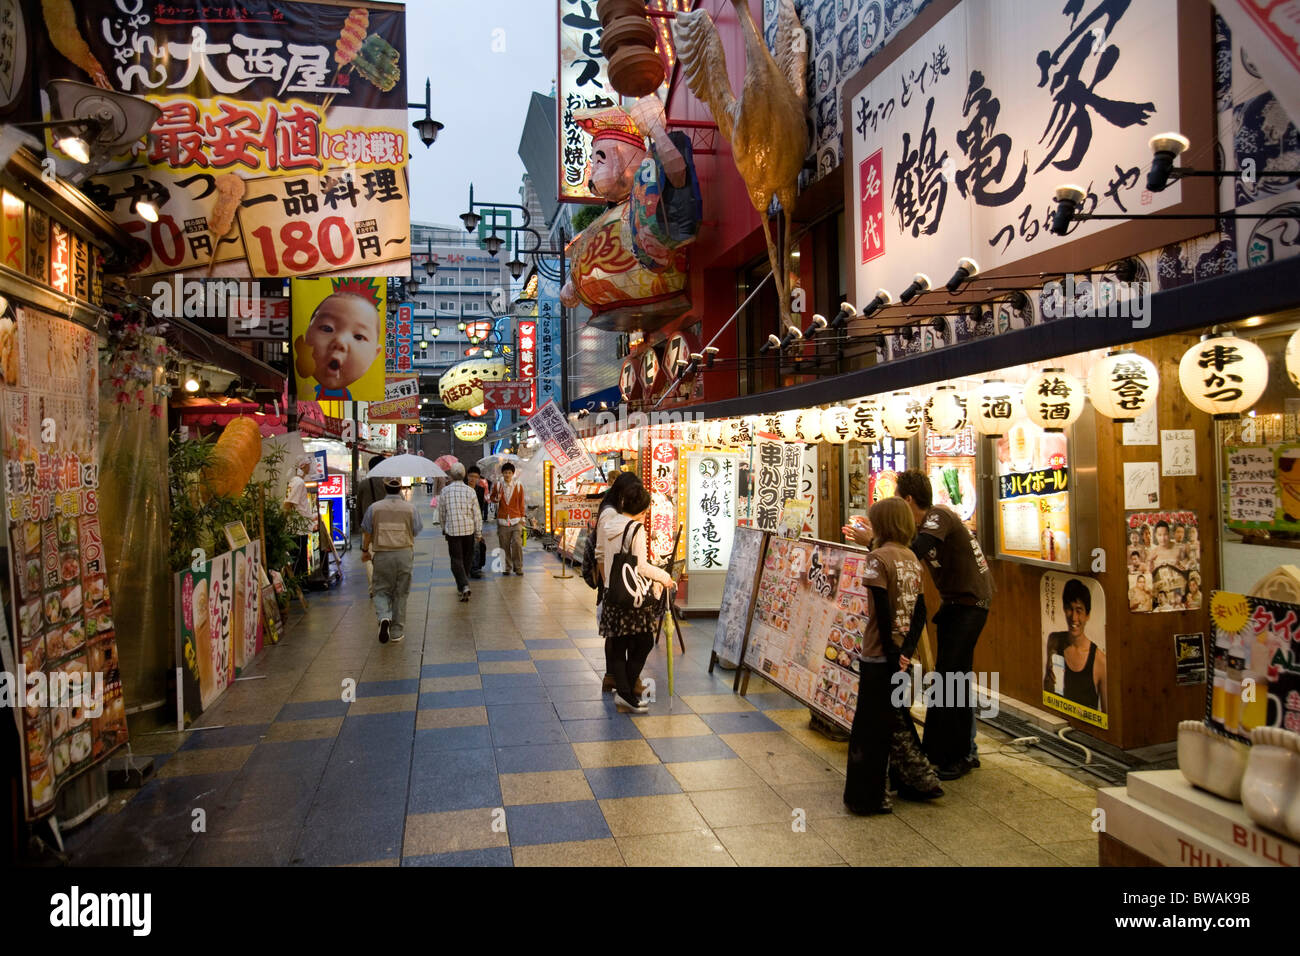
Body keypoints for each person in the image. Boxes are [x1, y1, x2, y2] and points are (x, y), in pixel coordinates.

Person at [840, 497, 944, 815]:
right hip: (900, 657)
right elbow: (921, 612)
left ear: (881, 524)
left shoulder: (876, 559)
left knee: (868, 729)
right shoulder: (912, 558)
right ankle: (914, 780)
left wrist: (889, 653)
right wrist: (905, 653)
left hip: (878, 655)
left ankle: (868, 796)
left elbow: (881, 612)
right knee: (893, 721)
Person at [896, 469, 992, 780]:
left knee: (951, 678)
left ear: (909, 499)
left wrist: (872, 541)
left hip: (971, 605)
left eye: (898, 500)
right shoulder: (922, 525)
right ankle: (957, 752)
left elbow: (912, 554)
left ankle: (956, 755)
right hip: (954, 606)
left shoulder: (939, 516)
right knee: (954, 677)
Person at [599, 482, 675, 713]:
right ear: (643, 509)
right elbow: (641, 567)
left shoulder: (608, 523)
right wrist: (664, 577)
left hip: (613, 593)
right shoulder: (636, 529)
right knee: (644, 642)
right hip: (632, 595)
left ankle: (625, 693)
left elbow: (601, 556)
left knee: (620, 644)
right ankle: (627, 690)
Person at [594, 472, 645, 693]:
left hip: (615, 585)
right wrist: (610, 587)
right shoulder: (611, 515)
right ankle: (621, 681)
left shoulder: (615, 512)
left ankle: (620, 680)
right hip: (616, 586)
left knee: (621, 637)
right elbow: (601, 554)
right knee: (622, 639)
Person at [360, 477, 422, 644]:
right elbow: (416, 530)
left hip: (381, 554)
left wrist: (365, 551)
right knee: (401, 592)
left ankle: (384, 617)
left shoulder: (374, 508)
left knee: (380, 590)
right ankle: (396, 631)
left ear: (384, 488)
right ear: (400, 487)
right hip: (404, 554)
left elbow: (366, 531)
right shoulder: (410, 508)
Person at [296, 291, 381, 400]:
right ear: (305, 338)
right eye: (327, 328)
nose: (340, 342)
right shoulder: (306, 390)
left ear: (375, 354)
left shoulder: (350, 395)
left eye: (358, 336)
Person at [1043, 578, 1107, 712]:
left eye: (1079, 610)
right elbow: (1047, 690)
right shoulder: (1054, 640)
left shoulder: (1100, 660)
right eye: (1069, 609)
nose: (1074, 617)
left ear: (1088, 615)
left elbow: (1108, 715)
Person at [438, 463, 483, 601]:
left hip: (453, 531)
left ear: (451, 475)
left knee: (456, 559)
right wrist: (478, 533)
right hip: (468, 530)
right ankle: (463, 585)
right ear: (464, 475)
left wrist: (443, 527)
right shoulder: (470, 491)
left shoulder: (445, 491)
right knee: (467, 558)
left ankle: (463, 585)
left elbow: (441, 513)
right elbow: (477, 514)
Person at [356, 455, 389, 598]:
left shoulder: (364, 484)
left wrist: (360, 525)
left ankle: (373, 588)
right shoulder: (388, 482)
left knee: (369, 557)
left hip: (368, 525)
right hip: (386, 524)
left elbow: (358, 507)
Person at [491, 462, 526, 575]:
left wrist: (522, 518)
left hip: (516, 520)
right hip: (502, 520)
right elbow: (492, 498)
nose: (507, 475)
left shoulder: (518, 485)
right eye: (505, 472)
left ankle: (518, 567)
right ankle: (506, 567)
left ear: (513, 473)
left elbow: (521, 503)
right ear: (502, 473)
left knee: (517, 543)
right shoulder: (498, 485)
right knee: (504, 545)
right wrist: (497, 498)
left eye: (509, 473)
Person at [466, 465, 489, 579]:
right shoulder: (463, 488)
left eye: (475, 477)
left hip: (475, 520)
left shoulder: (480, 490)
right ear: (467, 476)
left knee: (476, 544)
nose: (473, 479)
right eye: (471, 476)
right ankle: (467, 566)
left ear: (479, 478)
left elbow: (480, 507)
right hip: (465, 521)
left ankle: (475, 568)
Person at [282, 457, 316, 530]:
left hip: (301, 526)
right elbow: (288, 503)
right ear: (304, 466)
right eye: (308, 464)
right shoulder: (298, 482)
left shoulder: (297, 481)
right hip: (299, 529)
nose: (310, 467)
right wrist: (282, 524)